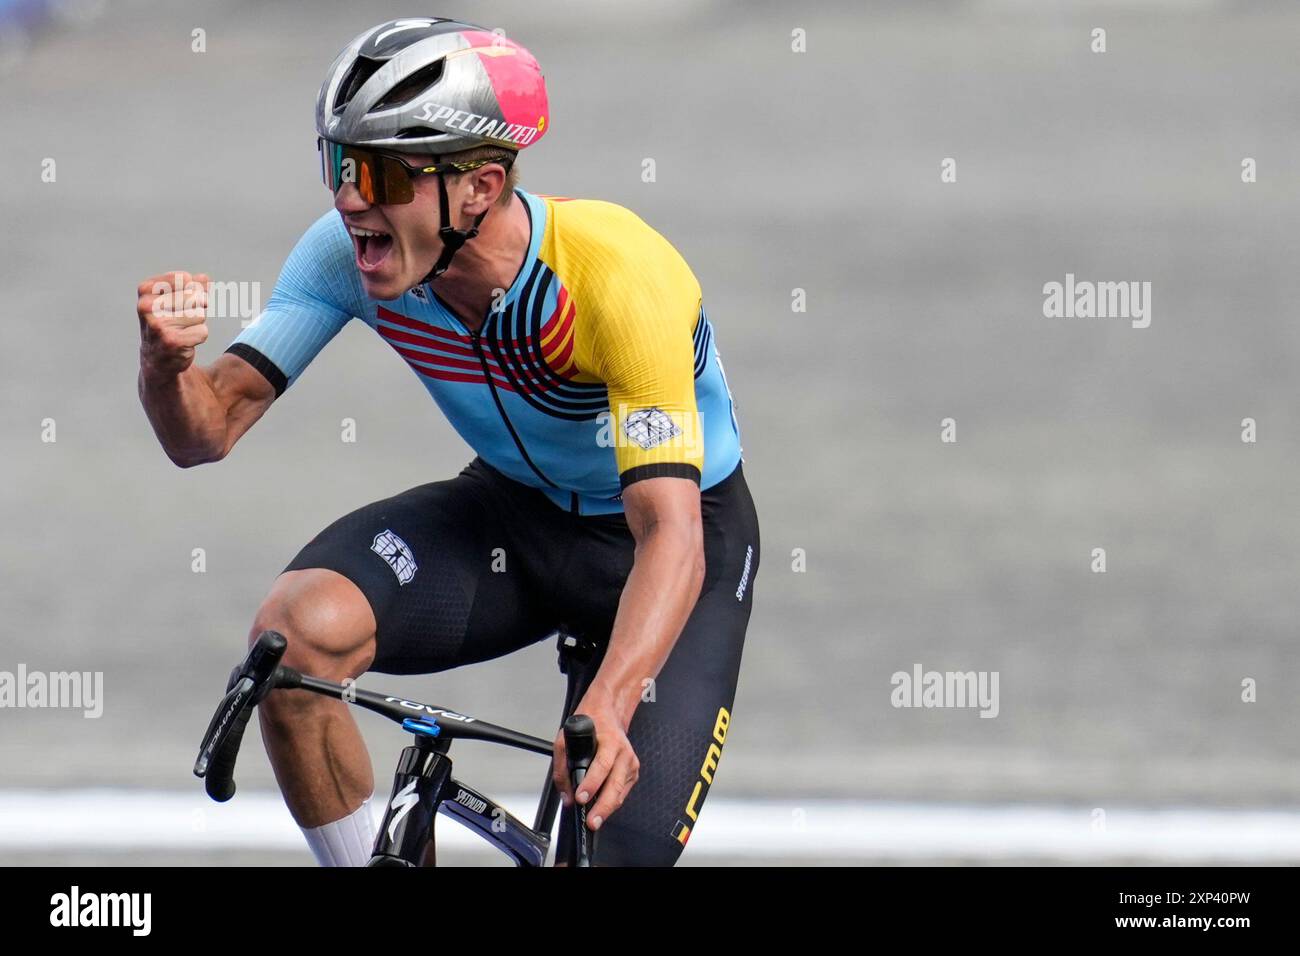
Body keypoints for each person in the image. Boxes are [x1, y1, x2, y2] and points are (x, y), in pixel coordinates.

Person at [136, 16, 759, 866]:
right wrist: (165, 369)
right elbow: (205, 432)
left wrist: (610, 704)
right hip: (515, 515)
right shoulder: (343, 258)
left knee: (605, 846)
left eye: (385, 172)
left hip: (673, 542)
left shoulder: (618, 276)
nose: (350, 197)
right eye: (339, 163)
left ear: (480, 187)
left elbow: (670, 535)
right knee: (296, 637)